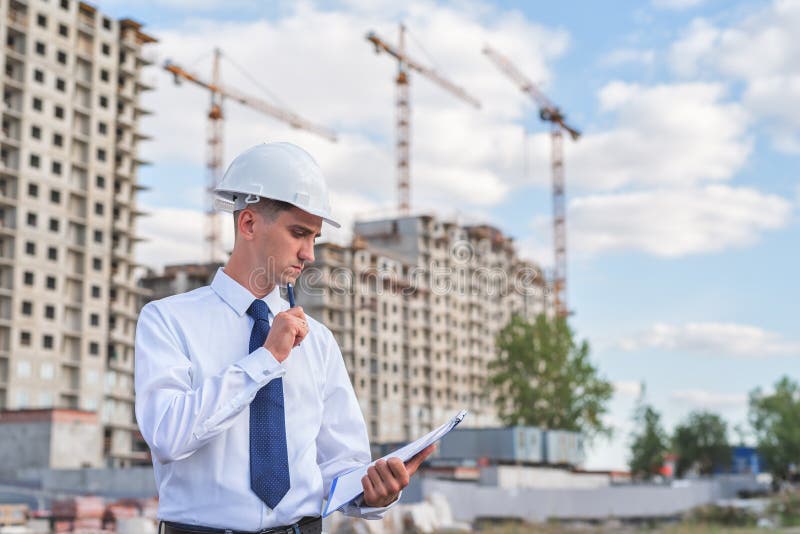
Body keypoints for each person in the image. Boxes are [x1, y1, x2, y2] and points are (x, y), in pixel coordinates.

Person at [135, 142, 434, 534]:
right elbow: (167, 436)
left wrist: (372, 493)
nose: (309, 253)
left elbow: (342, 463)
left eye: (314, 238)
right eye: (298, 233)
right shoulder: (168, 320)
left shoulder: (319, 341)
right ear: (248, 224)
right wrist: (265, 359)